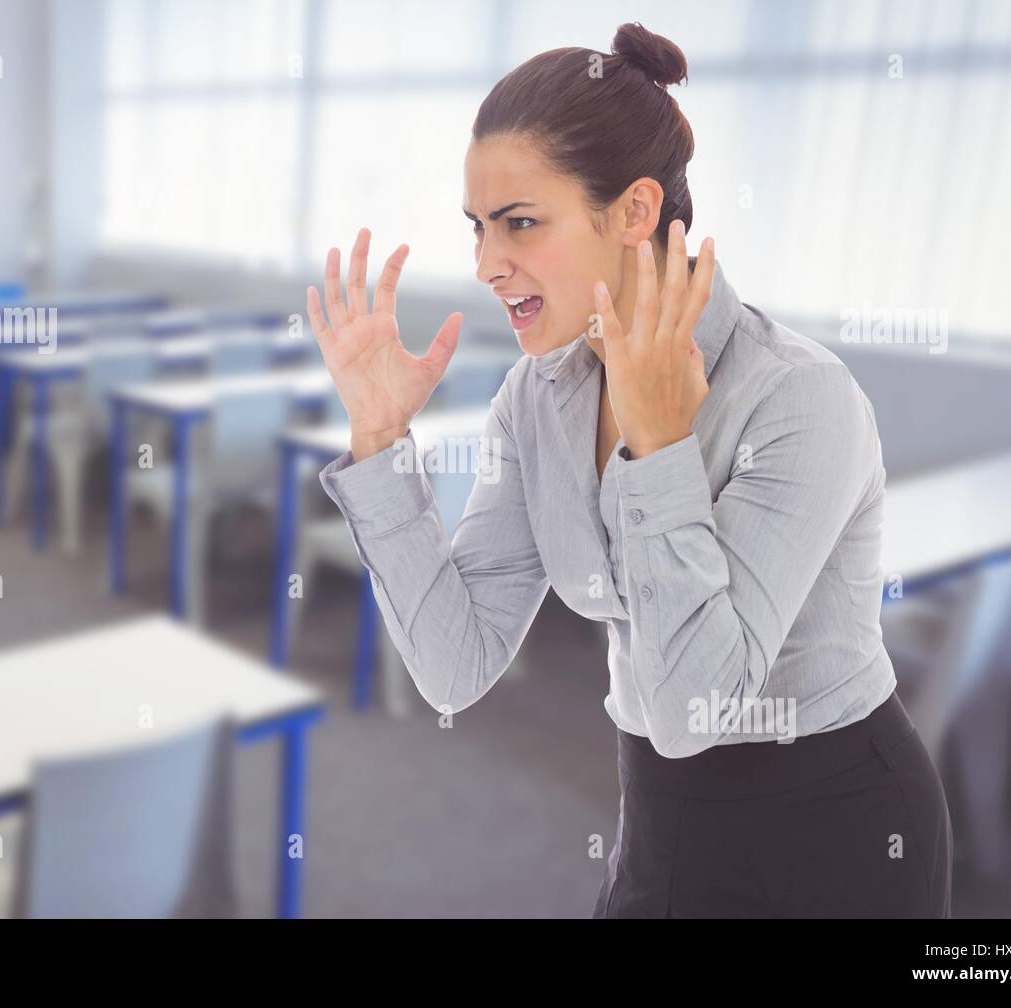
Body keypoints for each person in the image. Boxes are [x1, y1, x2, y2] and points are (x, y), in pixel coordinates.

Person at [303, 22, 952, 918]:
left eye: (521, 223)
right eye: (479, 229)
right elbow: (455, 665)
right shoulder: (537, 398)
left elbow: (700, 713)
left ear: (637, 212)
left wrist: (659, 451)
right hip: (660, 812)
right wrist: (378, 438)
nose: (488, 265)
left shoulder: (799, 399)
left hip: (838, 827)